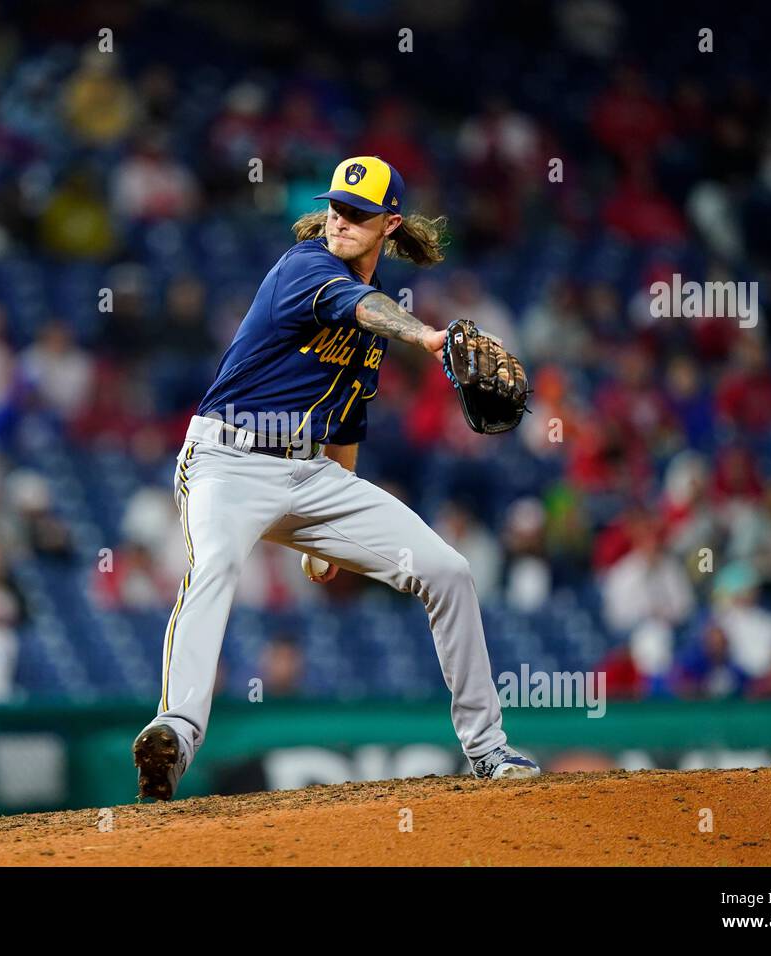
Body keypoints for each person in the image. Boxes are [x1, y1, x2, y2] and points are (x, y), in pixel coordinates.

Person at [132, 156, 540, 801]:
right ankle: (175, 732)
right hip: (227, 462)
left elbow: (345, 427)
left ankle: (488, 750)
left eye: (357, 213)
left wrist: (326, 536)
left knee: (449, 572)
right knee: (213, 567)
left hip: (311, 472)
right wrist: (429, 337)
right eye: (336, 206)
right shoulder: (304, 267)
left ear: (389, 224)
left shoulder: (367, 332)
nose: (341, 219)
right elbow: (366, 307)